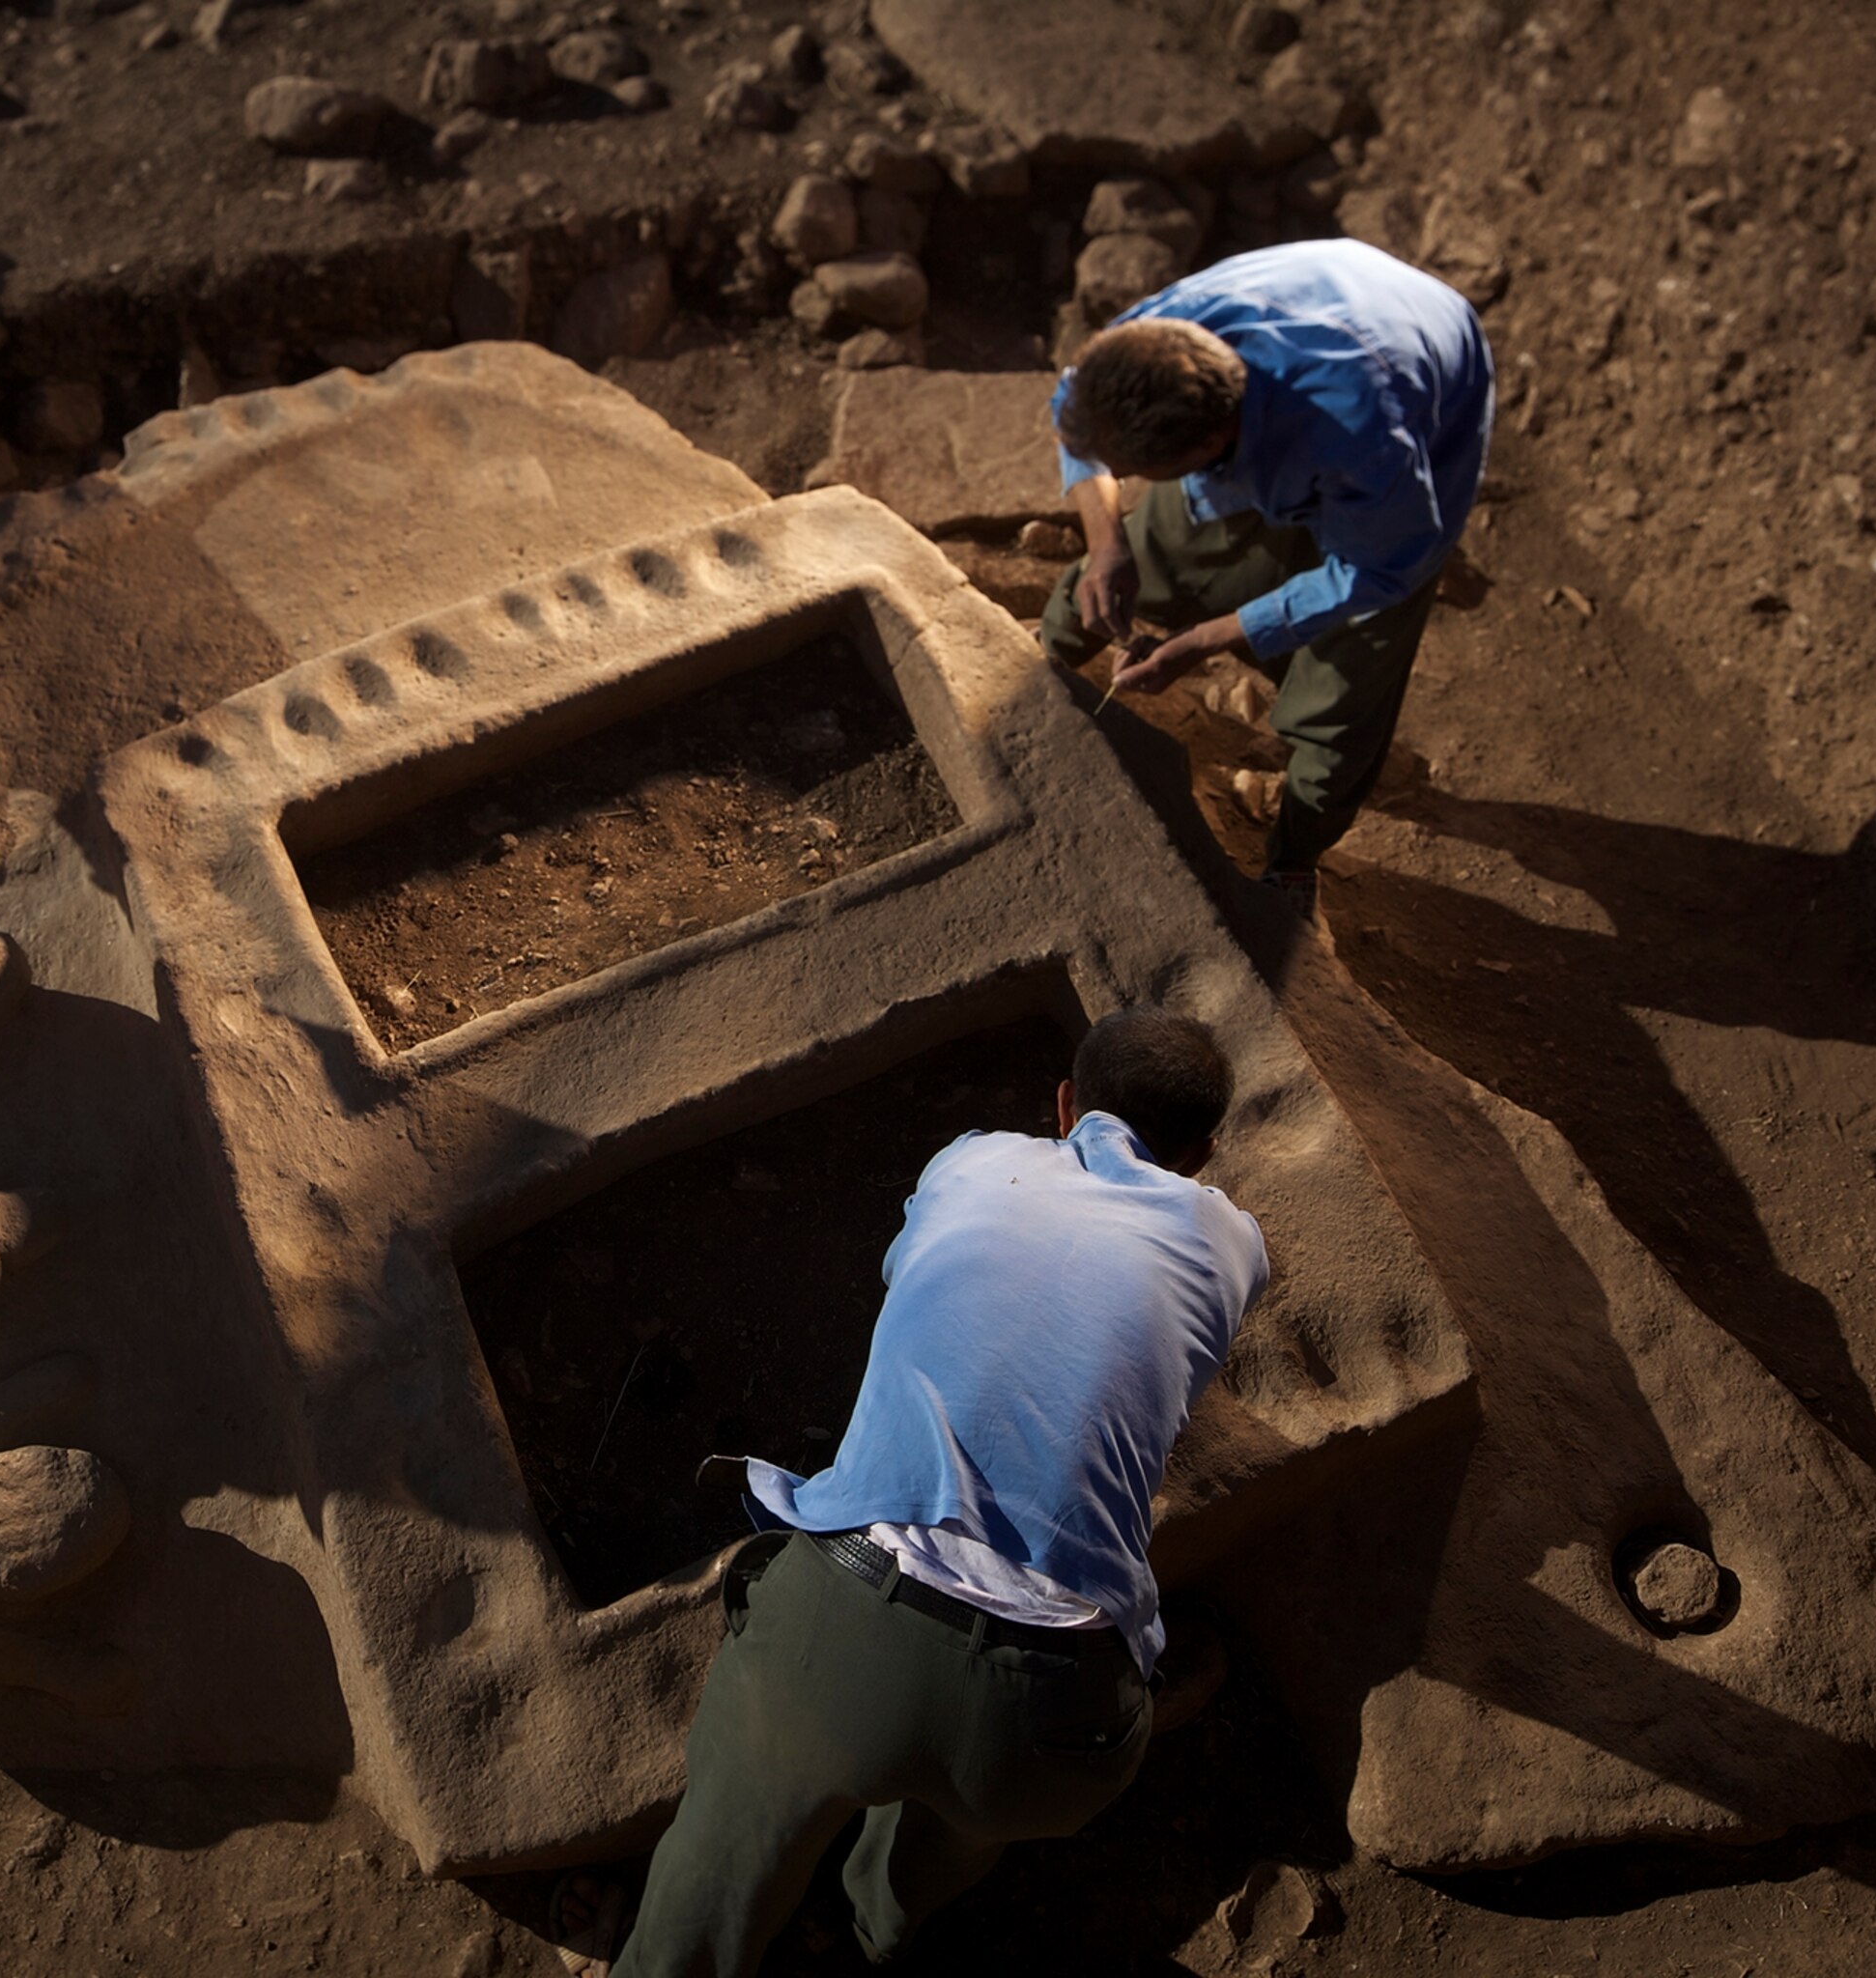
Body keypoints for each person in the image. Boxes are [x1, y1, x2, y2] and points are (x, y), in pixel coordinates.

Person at [606, 1006, 1267, 1976]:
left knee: (727, 1844)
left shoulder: (972, 1163)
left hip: (850, 1631)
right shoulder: (1234, 1244)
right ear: (1207, 1150)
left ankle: (684, 1953)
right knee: (973, 1811)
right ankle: (869, 1923)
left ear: (1063, 1103)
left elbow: (908, 1269)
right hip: (1052, 1723)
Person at [1041, 238, 1494, 919]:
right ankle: (1048, 671)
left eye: (1132, 470)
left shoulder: (1364, 438)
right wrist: (1106, 545)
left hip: (1414, 391)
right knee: (1151, 551)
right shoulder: (1162, 338)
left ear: (1207, 448)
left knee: (1344, 688)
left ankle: (1292, 858)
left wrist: (1205, 642)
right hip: (1332, 300)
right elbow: (1073, 400)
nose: (1120, 478)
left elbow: (1373, 571)